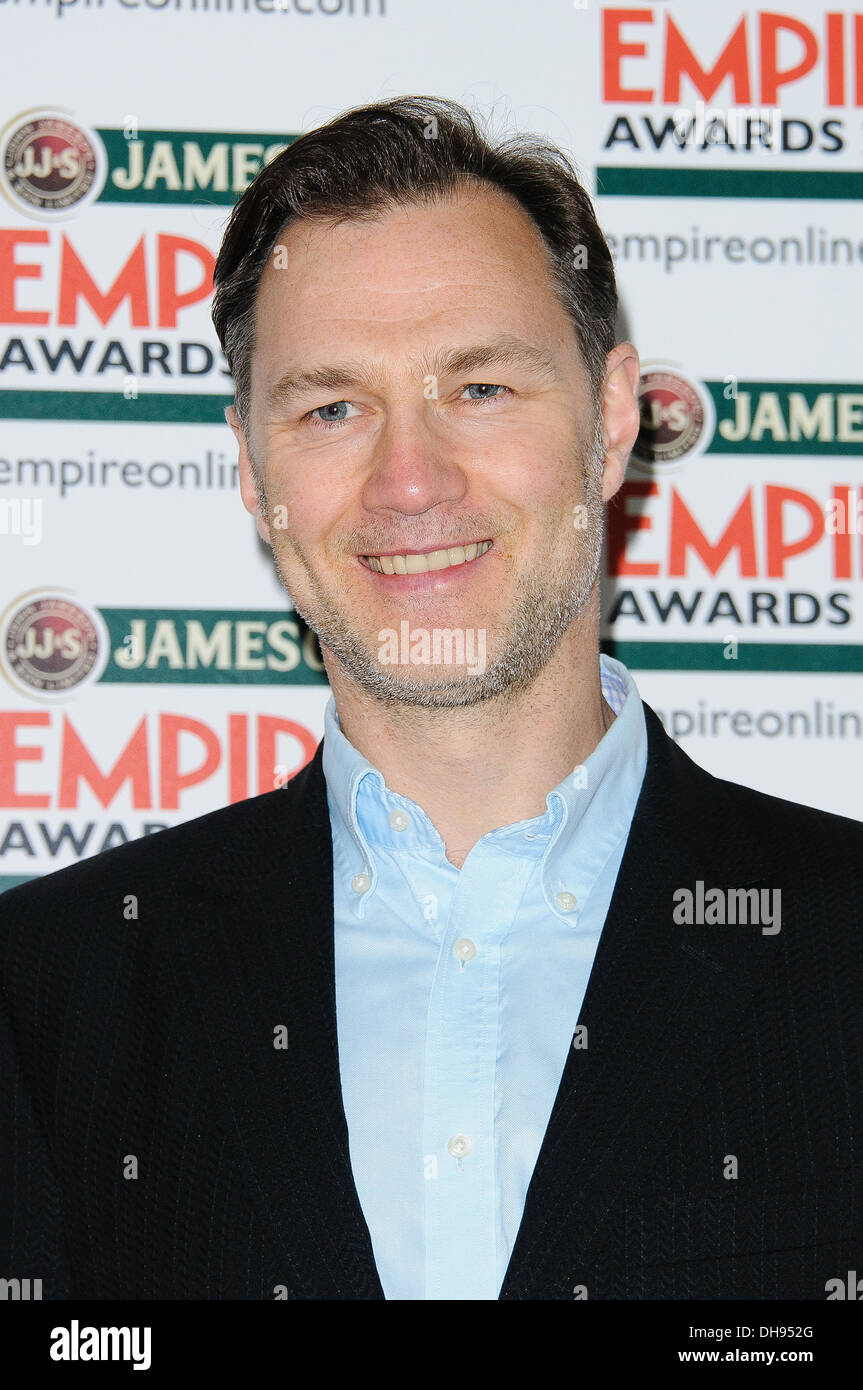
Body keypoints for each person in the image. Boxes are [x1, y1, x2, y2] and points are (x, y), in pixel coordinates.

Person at [1, 97, 861, 1301]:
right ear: (253, 473)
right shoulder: (50, 993)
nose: (410, 481)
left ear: (612, 422)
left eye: (480, 389)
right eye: (332, 409)